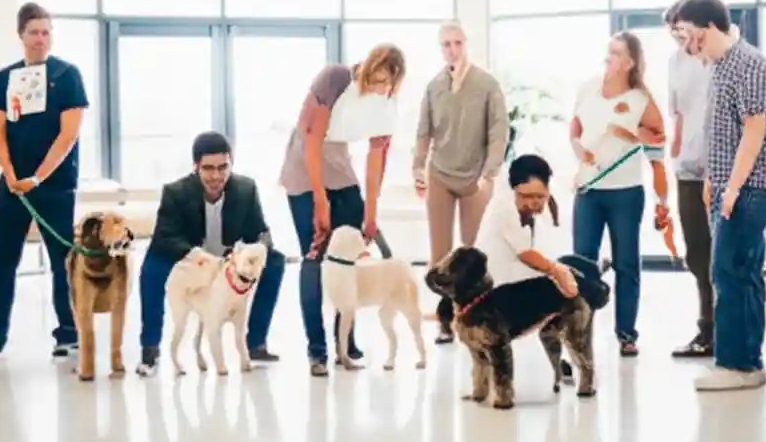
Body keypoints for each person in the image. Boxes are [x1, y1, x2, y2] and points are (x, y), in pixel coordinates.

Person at [673, 0, 766, 392]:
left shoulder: (748, 64)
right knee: (744, 272)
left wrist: (733, 188)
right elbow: (722, 132)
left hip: (752, 187)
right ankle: (748, 362)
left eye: (688, 34)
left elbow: (755, 131)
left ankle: (736, 364)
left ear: (707, 28)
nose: (686, 45)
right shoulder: (721, 66)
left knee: (728, 272)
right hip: (732, 185)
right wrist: (712, 180)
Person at [0, 2, 88, 358]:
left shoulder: (67, 75)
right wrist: (10, 174)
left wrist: (39, 176)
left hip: (55, 185)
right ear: (21, 35)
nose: (40, 39)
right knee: (1, 262)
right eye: (33, 32)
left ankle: (69, 333)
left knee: (62, 262)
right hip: (13, 186)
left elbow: (69, 134)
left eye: (46, 32)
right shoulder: (5, 79)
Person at [280, 43, 405, 377]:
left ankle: (344, 341)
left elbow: (376, 159)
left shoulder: (386, 103)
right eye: (376, 79)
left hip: (338, 166)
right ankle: (317, 349)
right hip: (304, 167)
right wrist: (319, 201)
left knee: (350, 257)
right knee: (315, 255)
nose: (379, 87)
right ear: (366, 67)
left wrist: (371, 213)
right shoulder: (335, 79)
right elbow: (311, 140)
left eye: (387, 83)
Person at [135, 132, 286, 375]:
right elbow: (164, 237)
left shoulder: (246, 189)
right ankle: (150, 350)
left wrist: (256, 248)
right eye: (208, 168)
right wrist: (195, 255)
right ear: (195, 166)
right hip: (187, 254)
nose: (216, 176)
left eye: (222, 167)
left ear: (231, 164)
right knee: (151, 270)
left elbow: (260, 232)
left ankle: (256, 343)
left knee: (275, 261)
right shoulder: (175, 192)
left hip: (225, 256)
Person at [568, 31, 666, 357]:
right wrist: (578, 149)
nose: (608, 57)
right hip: (589, 189)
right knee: (582, 263)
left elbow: (658, 139)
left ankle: (626, 333)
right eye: (608, 50)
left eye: (616, 53)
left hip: (625, 193)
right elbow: (575, 129)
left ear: (629, 62)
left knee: (626, 264)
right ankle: (580, 332)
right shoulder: (587, 88)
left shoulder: (640, 99)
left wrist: (628, 132)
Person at [414, 23, 509, 345]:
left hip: (476, 178)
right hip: (440, 174)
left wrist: (489, 172)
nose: (452, 50)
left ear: (466, 44)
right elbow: (423, 132)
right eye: (445, 44)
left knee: (472, 254)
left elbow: (499, 132)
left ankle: (477, 318)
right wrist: (418, 168)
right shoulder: (434, 87)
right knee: (440, 254)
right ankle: (445, 320)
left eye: (457, 43)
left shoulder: (487, 84)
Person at [664, 3, 716, 358]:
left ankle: (727, 329)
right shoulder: (675, 62)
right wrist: (677, 149)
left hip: (719, 168)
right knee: (697, 252)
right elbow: (679, 112)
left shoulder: (715, 58)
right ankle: (706, 329)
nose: (678, 38)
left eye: (681, 30)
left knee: (720, 254)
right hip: (687, 169)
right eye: (673, 32)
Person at [477, 153, 579, 300]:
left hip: (516, 277)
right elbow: (526, 255)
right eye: (526, 196)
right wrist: (558, 271)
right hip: (495, 286)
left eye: (540, 196)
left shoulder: (544, 207)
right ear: (513, 190)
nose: (533, 203)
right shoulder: (503, 207)